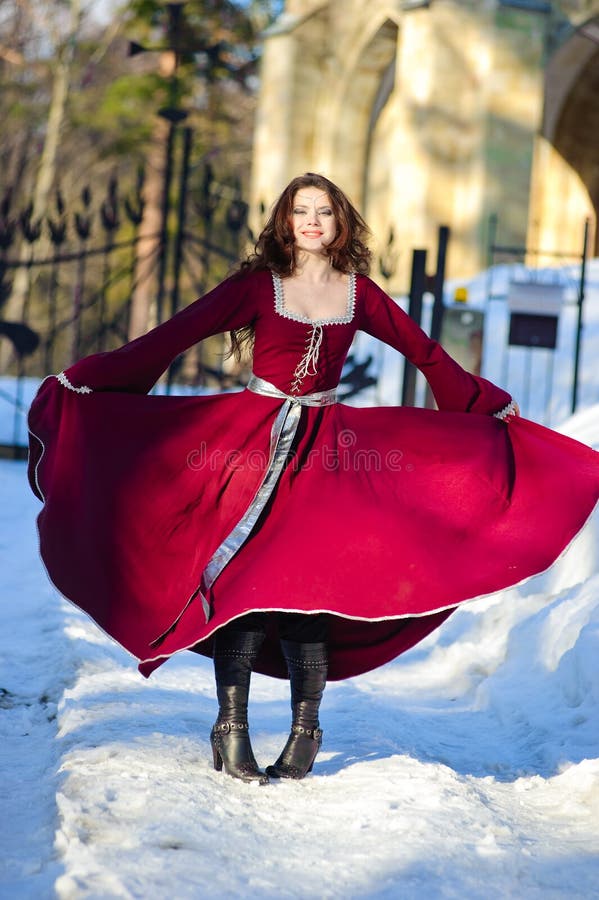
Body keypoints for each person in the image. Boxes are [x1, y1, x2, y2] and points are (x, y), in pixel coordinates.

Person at [27, 173, 599, 786]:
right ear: (284, 220)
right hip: (247, 447)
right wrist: (95, 379)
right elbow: (173, 336)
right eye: (301, 211)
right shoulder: (257, 286)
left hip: (327, 456)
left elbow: (427, 354)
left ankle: (306, 729)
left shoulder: (361, 294)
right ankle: (231, 726)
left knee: (307, 595)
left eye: (323, 212)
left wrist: (482, 407)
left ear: (340, 221)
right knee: (242, 593)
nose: (312, 222)